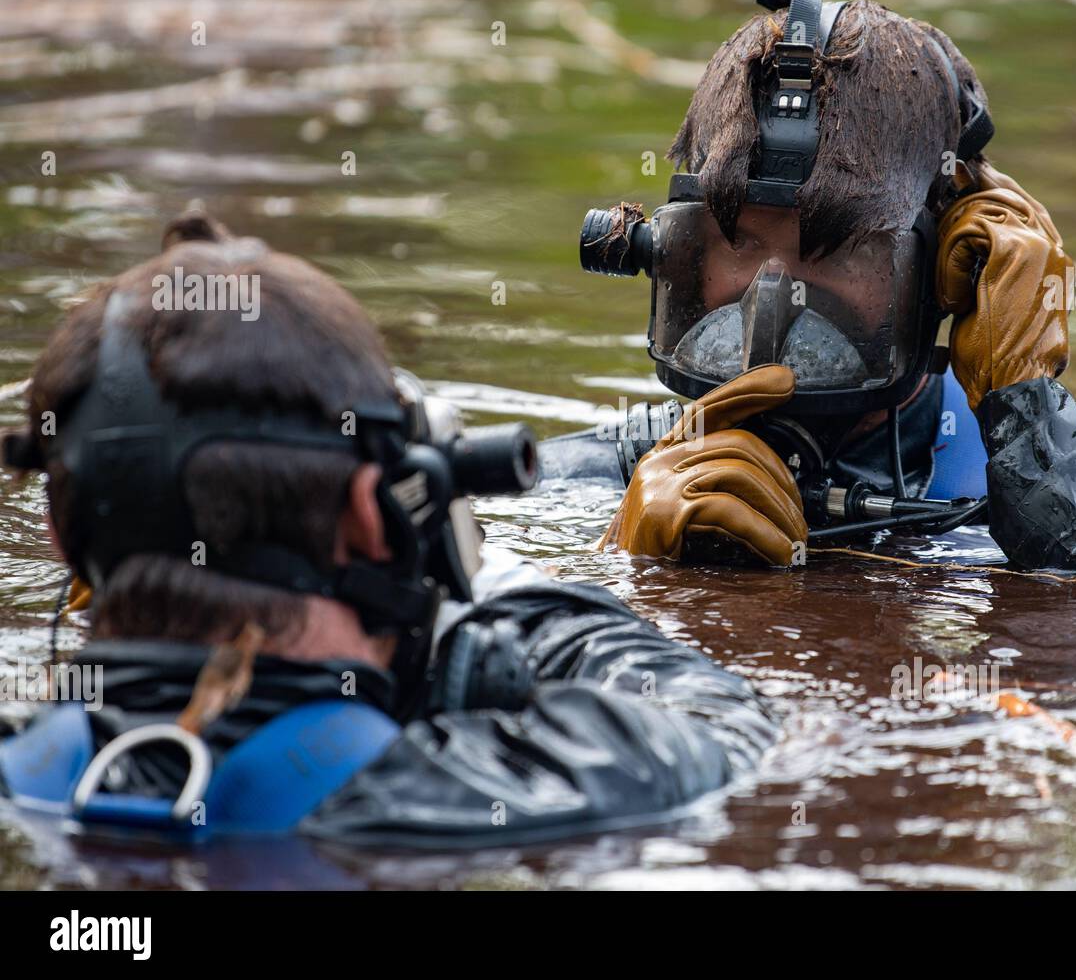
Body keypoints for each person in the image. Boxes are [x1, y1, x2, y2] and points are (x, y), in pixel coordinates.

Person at [0, 212, 776, 848]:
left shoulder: (17, 778)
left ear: (62, 540)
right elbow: (717, 723)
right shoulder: (468, 797)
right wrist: (476, 626)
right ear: (376, 522)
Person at [543, 0, 1076, 575]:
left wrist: (1026, 415)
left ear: (945, 269)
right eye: (741, 243)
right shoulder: (582, 483)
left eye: (836, 250)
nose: (772, 303)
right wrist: (630, 563)